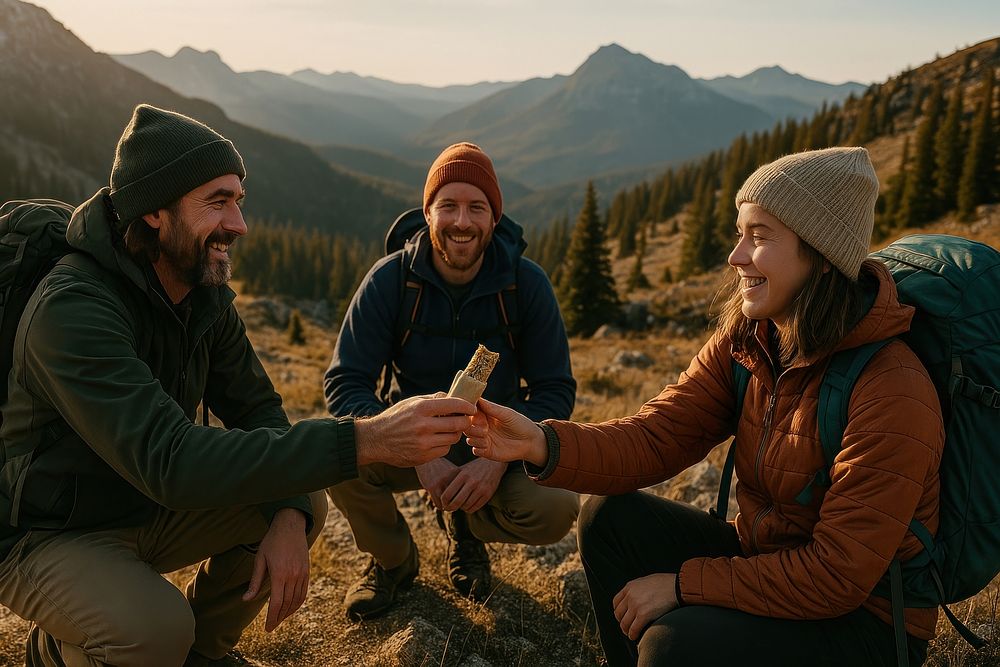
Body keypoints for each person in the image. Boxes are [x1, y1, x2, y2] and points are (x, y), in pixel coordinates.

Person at [0, 104, 475, 667]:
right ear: (154, 211)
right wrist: (368, 440)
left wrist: (289, 515)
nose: (239, 225)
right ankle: (54, 651)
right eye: (217, 202)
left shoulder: (199, 295)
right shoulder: (73, 310)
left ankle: (202, 653)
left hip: (139, 504)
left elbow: (256, 407)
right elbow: (171, 462)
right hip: (49, 531)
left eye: (238, 201)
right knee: (155, 631)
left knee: (300, 503)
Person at [466, 147, 943, 666]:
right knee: (609, 518)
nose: (736, 256)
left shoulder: (891, 389)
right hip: (768, 559)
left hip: (863, 623)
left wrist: (682, 586)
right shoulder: (751, 339)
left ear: (821, 256)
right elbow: (656, 436)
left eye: (759, 237)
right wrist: (541, 442)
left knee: (674, 645)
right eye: (740, 233)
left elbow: (835, 576)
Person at [324, 142, 579, 619]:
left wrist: (501, 458)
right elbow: (345, 385)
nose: (462, 221)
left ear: (494, 217)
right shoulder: (391, 281)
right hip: (410, 440)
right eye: (449, 206)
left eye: (476, 208)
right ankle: (393, 560)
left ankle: (464, 527)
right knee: (334, 454)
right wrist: (412, 449)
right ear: (428, 213)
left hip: (492, 443)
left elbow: (555, 391)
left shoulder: (526, 285)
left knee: (555, 509)